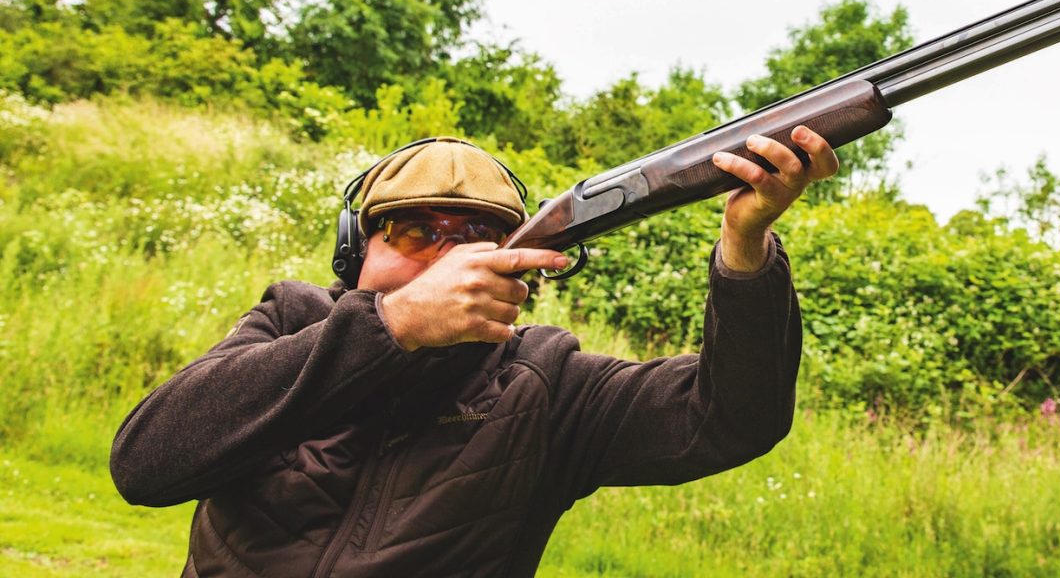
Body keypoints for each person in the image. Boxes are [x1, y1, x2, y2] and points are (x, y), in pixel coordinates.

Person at [110, 127, 838, 578]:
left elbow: (733, 419)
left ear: (523, 264)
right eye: (412, 231)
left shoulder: (548, 385)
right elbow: (145, 465)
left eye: (473, 235)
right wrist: (393, 328)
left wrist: (746, 248)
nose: (444, 257)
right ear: (356, 250)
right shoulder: (288, 322)